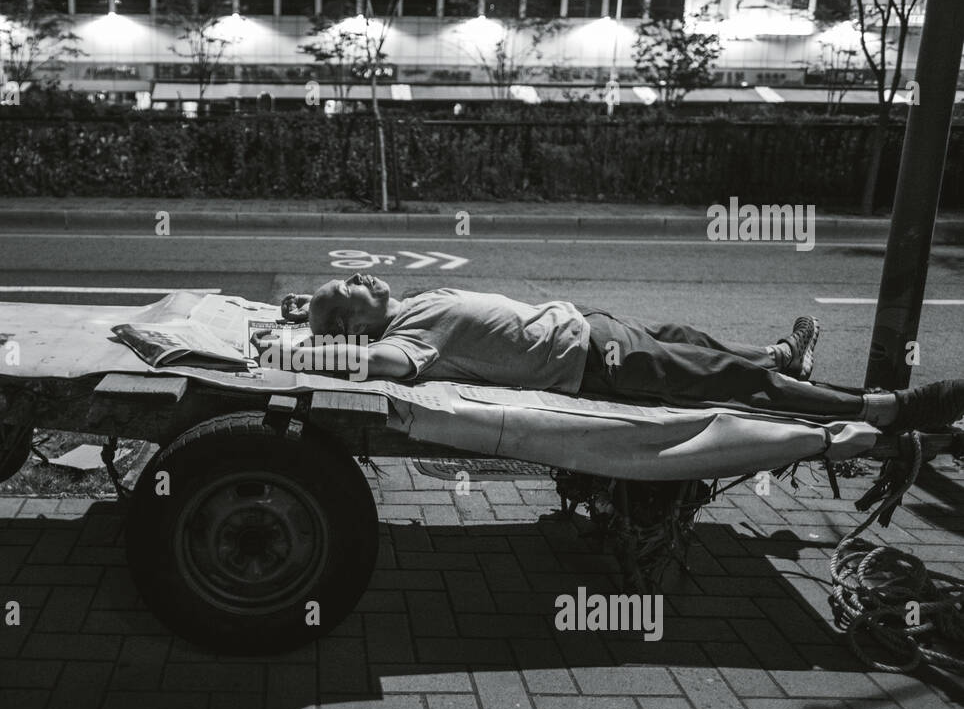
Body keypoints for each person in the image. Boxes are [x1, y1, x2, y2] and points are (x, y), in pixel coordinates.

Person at [276, 275, 964, 433]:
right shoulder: (402, 340)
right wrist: (310, 353)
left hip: (591, 327)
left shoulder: (407, 306)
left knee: (693, 340)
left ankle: (783, 354)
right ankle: (886, 409)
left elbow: (332, 324)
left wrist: (303, 312)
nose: (365, 277)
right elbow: (382, 365)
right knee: (734, 383)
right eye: (352, 290)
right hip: (599, 363)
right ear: (353, 326)